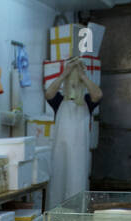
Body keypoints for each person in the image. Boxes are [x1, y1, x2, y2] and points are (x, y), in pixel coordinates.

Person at [44, 56, 102, 209]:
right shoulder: (59, 101)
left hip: (79, 155)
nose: (74, 84)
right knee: (58, 183)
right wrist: (64, 74)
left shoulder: (87, 102)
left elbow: (98, 95)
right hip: (60, 154)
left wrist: (83, 76)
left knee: (77, 183)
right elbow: (48, 93)